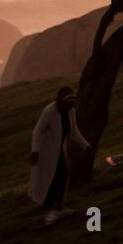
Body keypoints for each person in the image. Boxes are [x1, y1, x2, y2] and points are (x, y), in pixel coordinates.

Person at [29, 86, 90, 225]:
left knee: (63, 174)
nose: (69, 107)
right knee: (53, 176)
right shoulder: (49, 111)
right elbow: (37, 132)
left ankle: (58, 205)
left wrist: (86, 146)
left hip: (59, 150)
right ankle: (54, 207)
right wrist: (35, 151)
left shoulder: (70, 111)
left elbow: (74, 131)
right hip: (46, 151)